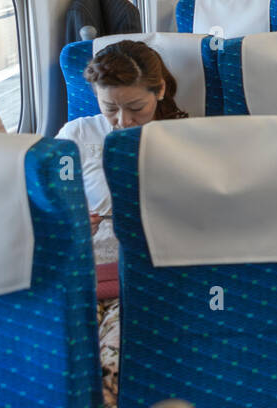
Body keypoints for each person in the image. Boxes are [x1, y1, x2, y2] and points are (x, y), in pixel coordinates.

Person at [57, 40, 189, 262]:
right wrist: (67, 225)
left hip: (163, 262)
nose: (123, 120)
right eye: (109, 108)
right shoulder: (77, 135)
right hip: (94, 265)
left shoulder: (186, 138)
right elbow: (46, 207)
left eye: (136, 108)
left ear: (160, 90)